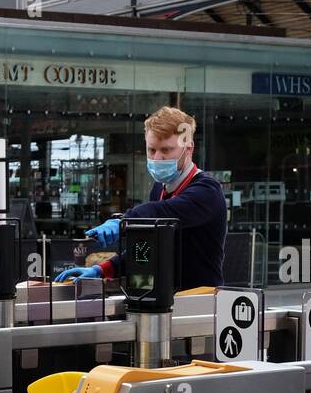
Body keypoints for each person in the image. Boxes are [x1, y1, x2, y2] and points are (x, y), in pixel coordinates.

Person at [56, 106, 226, 289]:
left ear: (189, 148)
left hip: (200, 299)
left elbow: (161, 213)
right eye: (152, 150)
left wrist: (123, 222)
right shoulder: (159, 190)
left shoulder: (207, 191)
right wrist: (102, 269)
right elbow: (146, 249)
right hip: (164, 297)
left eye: (166, 150)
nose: (157, 158)